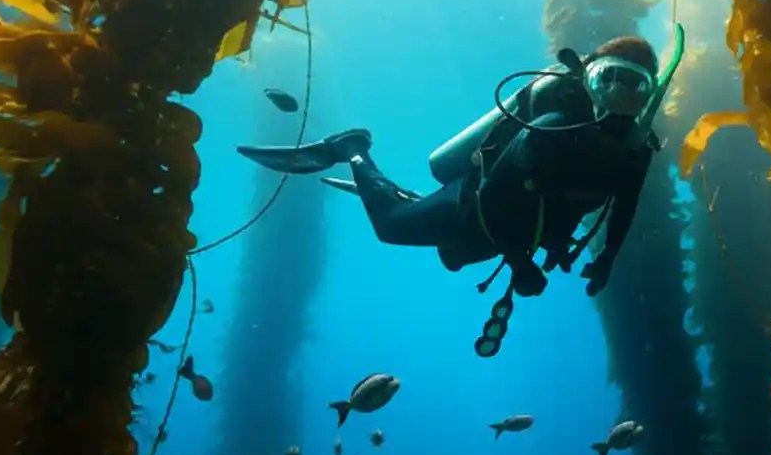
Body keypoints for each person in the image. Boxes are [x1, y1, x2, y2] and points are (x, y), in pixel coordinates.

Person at [237, 30, 683, 313]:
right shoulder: (549, 126)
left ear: (647, 96)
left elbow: (627, 202)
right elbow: (492, 197)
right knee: (390, 228)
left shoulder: (635, 149)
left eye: (634, 85)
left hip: (517, 228)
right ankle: (354, 151)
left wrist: (606, 259)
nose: (617, 93)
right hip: (477, 204)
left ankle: (408, 198)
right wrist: (521, 262)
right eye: (609, 77)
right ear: (589, 78)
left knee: (452, 258)